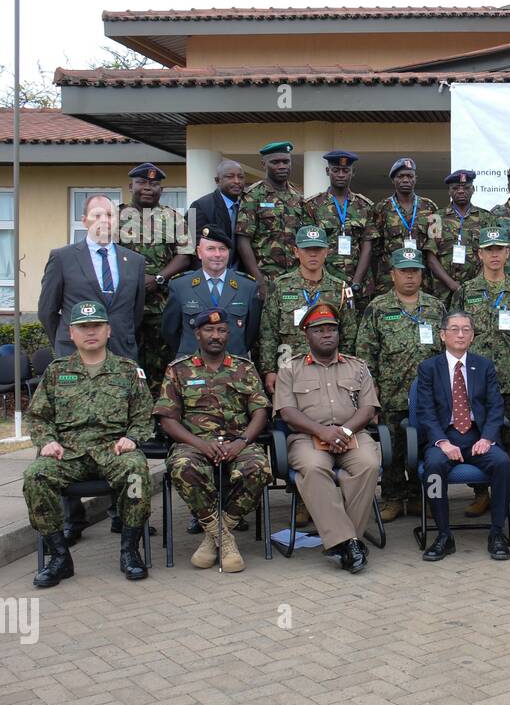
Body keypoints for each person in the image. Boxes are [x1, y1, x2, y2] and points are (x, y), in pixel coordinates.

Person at [23, 302, 153, 587]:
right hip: (68, 454)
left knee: (136, 471)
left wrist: (131, 437)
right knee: (36, 475)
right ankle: (59, 558)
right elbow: (37, 417)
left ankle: (130, 551)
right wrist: (47, 442)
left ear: (108, 331)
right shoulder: (57, 372)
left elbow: (144, 415)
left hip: (113, 451)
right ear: (72, 333)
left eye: (96, 326)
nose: (90, 332)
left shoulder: (128, 371)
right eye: (83, 327)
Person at [155, 310, 271, 573]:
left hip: (237, 441)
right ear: (197, 334)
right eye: (209, 330)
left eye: (221, 331)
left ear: (228, 335)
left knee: (259, 467)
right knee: (182, 466)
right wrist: (200, 444)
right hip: (194, 443)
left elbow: (260, 412)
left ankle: (213, 537)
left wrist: (241, 442)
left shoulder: (244, 368)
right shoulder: (179, 370)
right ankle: (225, 539)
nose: (215, 336)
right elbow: (167, 419)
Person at [275, 304, 382, 574]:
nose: (326, 335)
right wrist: (322, 432)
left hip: (352, 434)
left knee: (368, 464)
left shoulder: (357, 366)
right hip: (308, 436)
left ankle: (343, 542)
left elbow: (368, 409)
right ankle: (350, 542)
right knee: (312, 468)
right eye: (319, 330)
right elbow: (287, 412)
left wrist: (344, 431)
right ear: (307, 335)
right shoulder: (289, 368)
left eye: (332, 329)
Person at [355, 246, 446, 523]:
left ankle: (426, 498)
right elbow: (365, 351)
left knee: (429, 447)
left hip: (430, 396)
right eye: (404, 271)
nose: (410, 277)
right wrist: (370, 390)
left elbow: (449, 349)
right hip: (392, 393)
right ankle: (393, 498)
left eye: (414, 271)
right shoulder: (378, 307)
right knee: (391, 449)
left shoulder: (435, 306)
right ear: (392, 274)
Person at [416, 311, 510, 563]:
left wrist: (488, 438)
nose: (460, 334)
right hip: (445, 436)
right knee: (434, 467)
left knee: (503, 464)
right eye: (454, 329)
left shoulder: (483, 366)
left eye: (466, 330)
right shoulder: (429, 368)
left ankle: (497, 533)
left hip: (477, 435)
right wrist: (442, 442)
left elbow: (495, 407)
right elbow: (425, 411)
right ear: (442, 335)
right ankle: (443, 534)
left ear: (472, 336)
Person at [449, 228, 510, 517]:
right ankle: (480, 493)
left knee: (507, 437)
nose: (494, 254)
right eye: (489, 249)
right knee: (474, 434)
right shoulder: (466, 291)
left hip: (508, 377)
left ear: (508, 253)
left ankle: (504, 494)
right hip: (472, 378)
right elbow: (454, 336)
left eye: (500, 249)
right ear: (480, 254)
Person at [39, 194, 146, 361]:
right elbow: (47, 311)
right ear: (84, 221)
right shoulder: (62, 258)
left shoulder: (135, 261)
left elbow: (136, 313)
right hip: (75, 354)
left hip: (122, 352)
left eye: (110, 215)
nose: (104, 220)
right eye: (97, 215)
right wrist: (65, 340)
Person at [118, 162, 193, 395]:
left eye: (154, 184)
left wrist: (159, 278)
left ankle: (162, 415)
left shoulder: (173, 218)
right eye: (142, 183)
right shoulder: (115, 218)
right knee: (126, 360)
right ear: (131, 186)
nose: (148, 188)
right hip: (125, 303)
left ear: (162, 189)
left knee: (163, 361)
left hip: (161, 303)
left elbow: (185, 256)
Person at [258, 225, 355, 396]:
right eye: (307, 249)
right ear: (296, 251)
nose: (312, 254)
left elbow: (348, 334)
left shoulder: (340, 289)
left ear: (326, 252)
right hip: (289, 368)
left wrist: (344, 369)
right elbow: (268, 332)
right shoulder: (280, 286)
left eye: (317, 249)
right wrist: (269, 370)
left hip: (329, 370)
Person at [163, 225, 262, 359]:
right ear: (199, 252)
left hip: (234, 368)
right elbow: (170, 331)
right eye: (211, 249)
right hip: (192, 367)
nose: (217, 254)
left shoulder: (247, 286)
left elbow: (252, 333)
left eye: (222, 249)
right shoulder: (180, 285)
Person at [303, 150, 374, 308]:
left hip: (359, 283)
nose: (341, 174)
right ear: (328, 171)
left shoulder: (365, 206)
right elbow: (310, 248)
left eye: (345, 170)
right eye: (336, 170)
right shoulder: (313, 205)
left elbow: (367, 247)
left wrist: (356, 282)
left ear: (353, 172)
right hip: (323, 282)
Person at [235, 141, 305, 295]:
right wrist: (258, 279)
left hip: (295, 278)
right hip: (265, 277)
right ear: (263, 164)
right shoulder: (253, 196)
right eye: (275, 162)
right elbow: (243, 240)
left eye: (286, 161)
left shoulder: (298, 197)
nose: (282, 166)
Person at [369, 157, 440, 296]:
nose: (406, 180)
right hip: (389, 278)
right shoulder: (381, 208)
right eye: (400, 176)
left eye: (410, 176)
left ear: (415, 178)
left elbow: (436, 243)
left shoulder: (431, 207)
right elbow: (375, 249)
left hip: (421, 277)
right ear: (393, 180)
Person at [433, 169, 491, 300]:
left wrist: (474, 284)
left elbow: (491, 253)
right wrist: (452, 284)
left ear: (473, 189)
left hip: (477, 289)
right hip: (442, 290)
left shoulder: (486, 218)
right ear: (449, 191)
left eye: (466, 187)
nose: (460, 191)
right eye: (455, 188)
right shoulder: (436, 217)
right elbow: (431, 256)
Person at [187, 159, 246, 267]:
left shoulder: (247, 205)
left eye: (241, 177)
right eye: (230, 176)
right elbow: (191, 247)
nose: (237, 181)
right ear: (217, 180)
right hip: (210, 274)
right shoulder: (197, 206)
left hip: (240, 275)